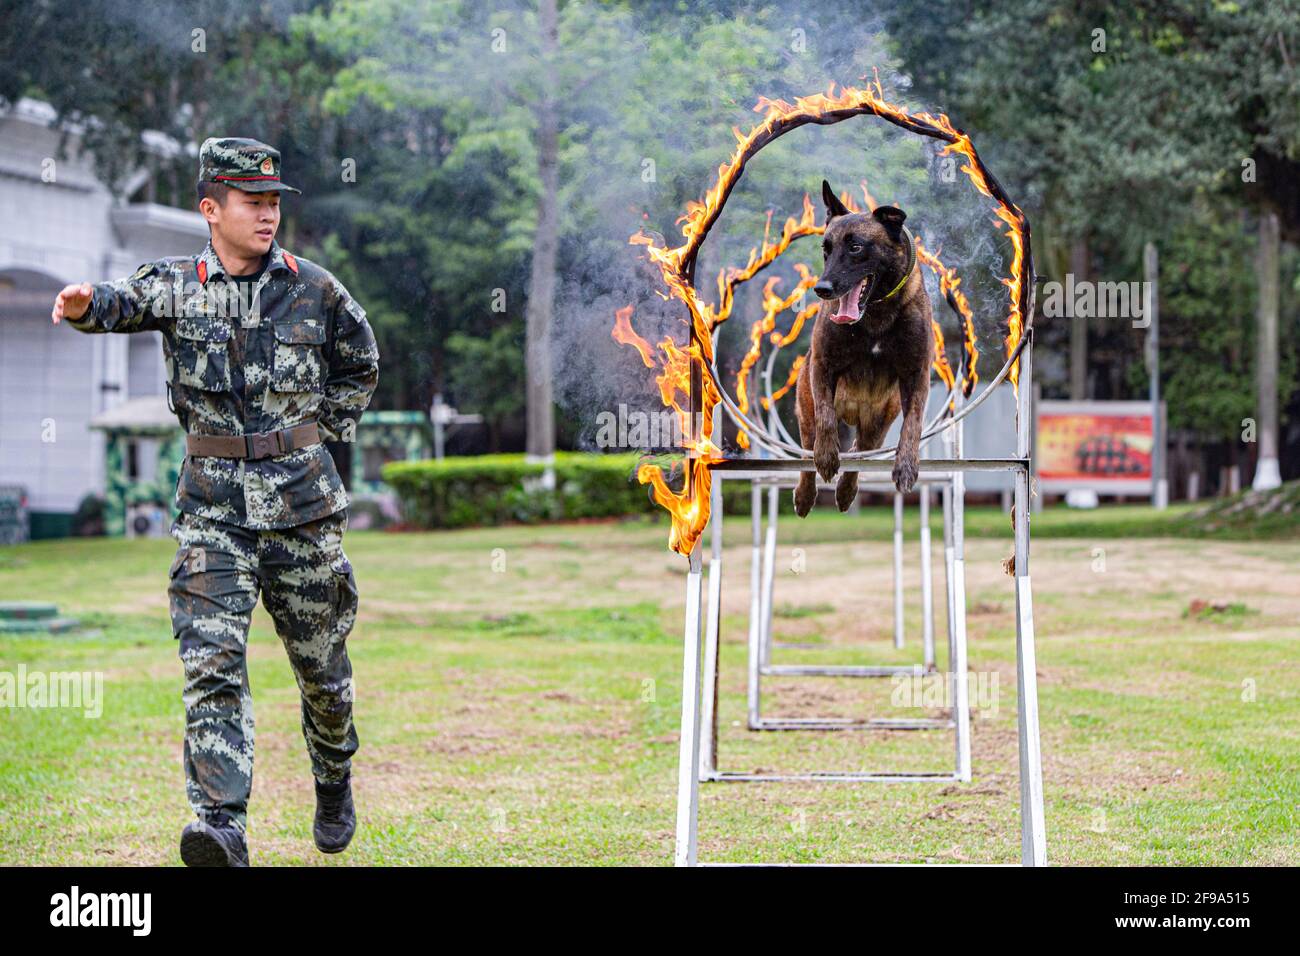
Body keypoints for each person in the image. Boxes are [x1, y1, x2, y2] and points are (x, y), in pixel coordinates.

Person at [52, 137, 380, 866]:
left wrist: (315, 437)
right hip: (212, 515)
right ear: (211, 209)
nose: (268, 216)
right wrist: (80, 307)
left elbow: (361, 362)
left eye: (273, 203)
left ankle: (333, 777)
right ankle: (220, 825)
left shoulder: (316, 289)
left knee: (323, 674)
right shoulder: (176, 283)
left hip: (301, 512)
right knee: (211, 664)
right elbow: (118, 303)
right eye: (252, 202)